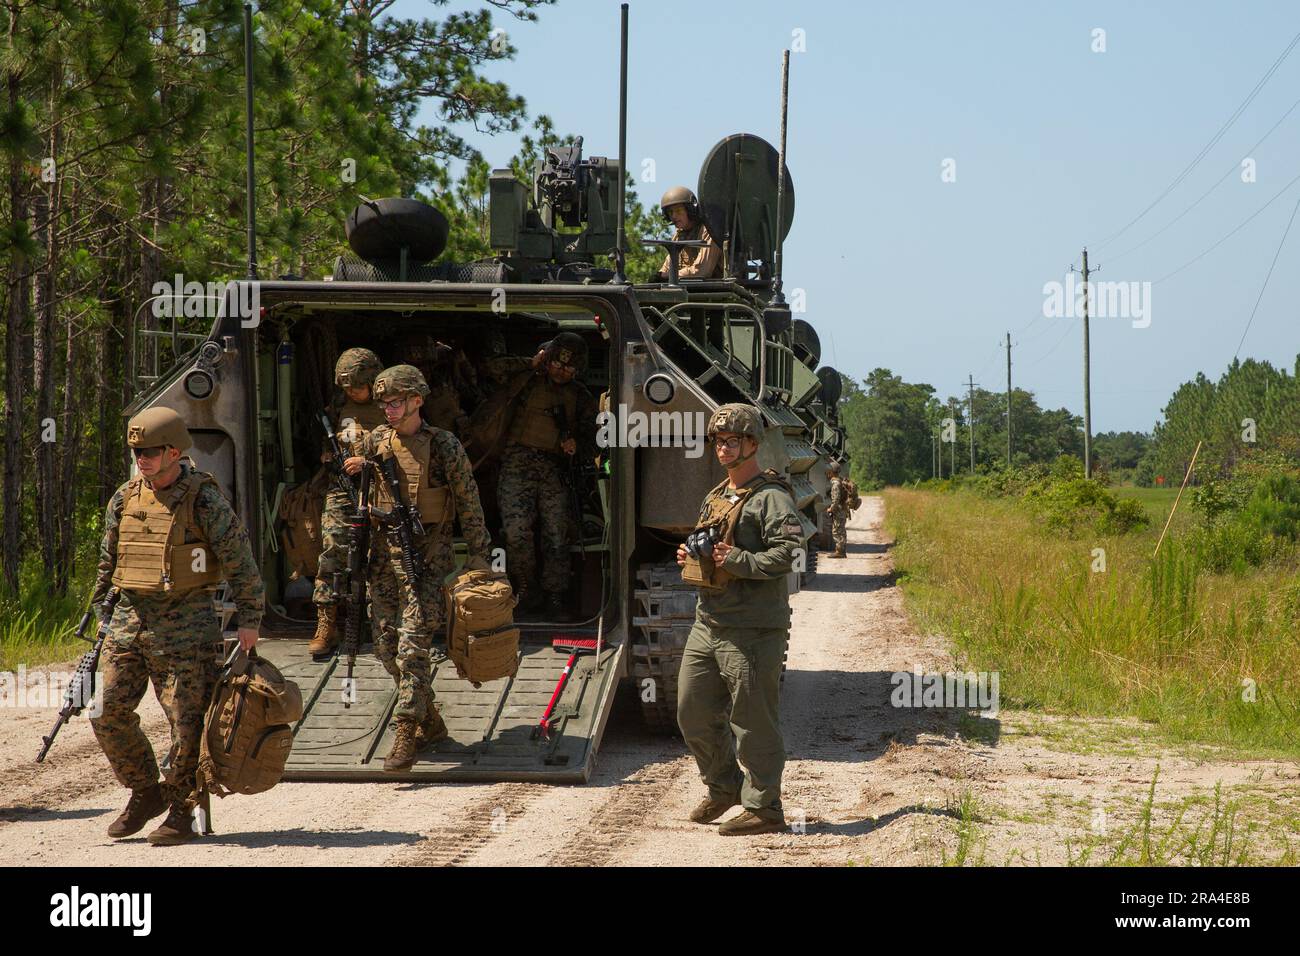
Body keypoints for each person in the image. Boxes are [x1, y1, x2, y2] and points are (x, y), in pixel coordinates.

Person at [90, 406, 264, 846]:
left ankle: (182, 809)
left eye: (149, 451)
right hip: (130, 623)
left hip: (186, 628)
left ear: (172, 451)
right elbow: (109, 561)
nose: (141, 459)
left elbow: (240, 560)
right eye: (136, 451)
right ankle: (146, 791)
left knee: (186, 725)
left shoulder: (203, 499)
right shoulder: (125, 497)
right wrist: (101, 612)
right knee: (106, 712)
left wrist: (249, 618)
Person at [342, 364, 491, 771]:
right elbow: (359, 498)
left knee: (413, 648)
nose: (388, 410)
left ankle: (405, 729)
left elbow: (468, 501)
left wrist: (480, 555)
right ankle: (432, 721)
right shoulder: (375, 442)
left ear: (417, 400)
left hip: (428, 559)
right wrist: (357, 471)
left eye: (396, 402)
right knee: (387, 648)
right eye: (384, 403)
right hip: (383, 560)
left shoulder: (444, 446)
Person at [675, 403, 802, 836]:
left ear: (752, 444)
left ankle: (765, 808)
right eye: (718, 441)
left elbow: (788, 554)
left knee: (753, 723)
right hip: (708, 622)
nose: (724, 448)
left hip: (752, 629)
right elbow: (707, 544)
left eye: (732, 440)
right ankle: (724, 787)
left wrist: (738, 559)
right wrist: (690, 556)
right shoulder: (716, 495)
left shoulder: (772, 497)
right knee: (691, 712)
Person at [492, 332, 596, 618]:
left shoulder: (580, 396)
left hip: (555, 467)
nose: (561, 371)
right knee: (515, 533)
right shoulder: (527, 380)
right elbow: (491, 369)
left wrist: (576, 444)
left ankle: (555, 595)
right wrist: (530, 363)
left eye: (568, 368)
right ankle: (526, 589)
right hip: (517, 462)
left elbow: (595, 440)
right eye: (556, 364)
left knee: (557, 535)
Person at [310, 347, 387, 658]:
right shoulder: (339, 405)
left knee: (378, 556)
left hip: (382, 488)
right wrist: (327, 455)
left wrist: (370, 462)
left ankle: (380, 624)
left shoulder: (392, 404)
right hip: (344, 488)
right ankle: (327, 623)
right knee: (332, 550)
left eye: (358, 386)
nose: (353, 392)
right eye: (348, 388)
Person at [655, 186, 721, 280]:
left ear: (690, 210)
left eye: (678, 210)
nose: (673, 216)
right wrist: (659, 275)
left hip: (714, 288)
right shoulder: (678, 235)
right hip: (688, 287)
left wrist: (666, 276)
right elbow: (667, 268)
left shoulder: (708, 231)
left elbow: (702, 271)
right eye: (670, 212)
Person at [826, 460, 848, 559]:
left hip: (838, 510)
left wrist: (831, 509)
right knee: (841, 530)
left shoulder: (835, 484)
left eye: (828, 471)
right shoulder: (841, 481)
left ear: (831, 472)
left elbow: (836, 499)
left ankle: (840, 551)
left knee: (837, 531)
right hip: (842, 509)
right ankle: (841, 551)